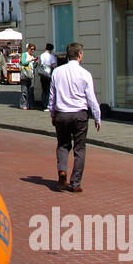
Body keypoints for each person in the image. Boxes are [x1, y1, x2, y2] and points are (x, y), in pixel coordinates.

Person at [49, 41, 101, 193]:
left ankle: (62, 171)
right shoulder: (85, 74)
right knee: (80, 149)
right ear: (79, 55)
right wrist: (97, 117)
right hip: (79, 114)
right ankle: (75, 182)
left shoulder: (57, 72)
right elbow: (91, 98)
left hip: (62, 114)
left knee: (63, 145)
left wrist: (52, 113)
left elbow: (52, 96)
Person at [38, 42, 57, 111]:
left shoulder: (41, 55)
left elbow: (39, 63)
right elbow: (54, 66)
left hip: (42, 73)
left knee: (43, 90)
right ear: (51, 49)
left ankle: (43, 104)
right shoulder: (51, 56)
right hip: (48, 73)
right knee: (48, 90)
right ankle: (47, 105)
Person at [19, 42, 37, 111]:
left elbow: (34, 66)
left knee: (31, 91)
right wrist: (30, 60)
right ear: (28, 48)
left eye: (33, 49)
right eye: (31, 49)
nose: (32, 51)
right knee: (24, 91)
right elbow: (23, 62)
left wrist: (36, 63)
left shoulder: (33, 56)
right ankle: (23, 104)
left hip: (31, 75)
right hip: (24, 74)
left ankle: (31, 104)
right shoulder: (24, 54)